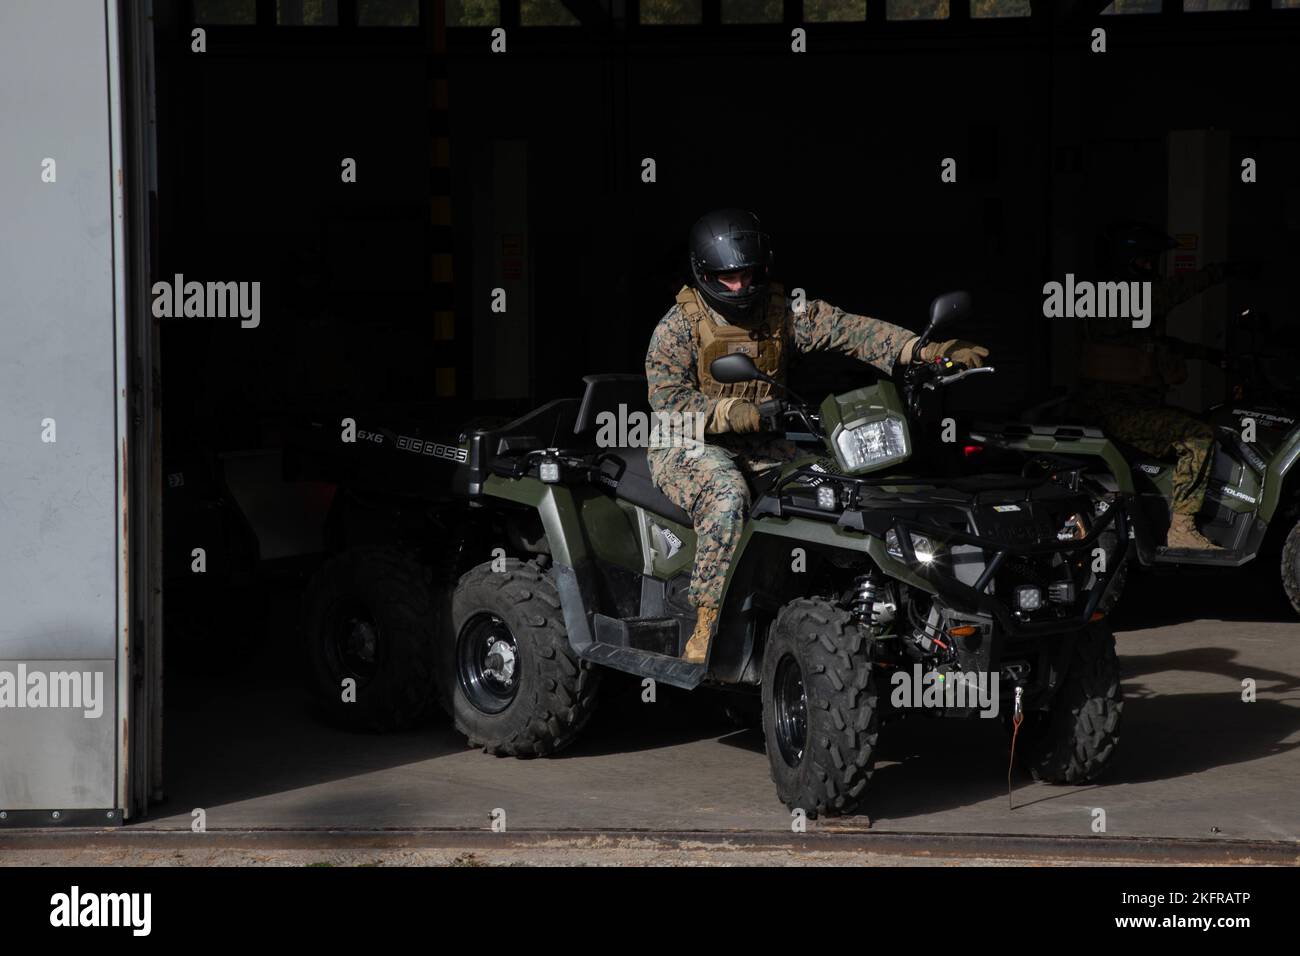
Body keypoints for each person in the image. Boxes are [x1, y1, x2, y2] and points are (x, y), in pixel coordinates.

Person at [645, 209, 989, 663]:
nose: (740, 287)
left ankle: (839, 604)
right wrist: (732, 411)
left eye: (748, 275)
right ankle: (709, 621)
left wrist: (921, 350)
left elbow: (849, 330)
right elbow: (669, 403)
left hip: (763, 444)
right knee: (726, 497)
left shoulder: (781, 314)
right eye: (727, 278)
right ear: (704, 274)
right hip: (687, 445)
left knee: (836, 489)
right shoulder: (676, 329)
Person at [1073, 221, 1248, 550]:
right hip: (1118, 411)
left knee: (1211, 422)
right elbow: (1170, 294)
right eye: (1144, 262)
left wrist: (1211, 356)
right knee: (1198, 438)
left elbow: (1155, 344)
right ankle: (1182, 528)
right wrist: (1220, 272)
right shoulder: (1116, 297)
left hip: (1134, 407)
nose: (1151, 269)